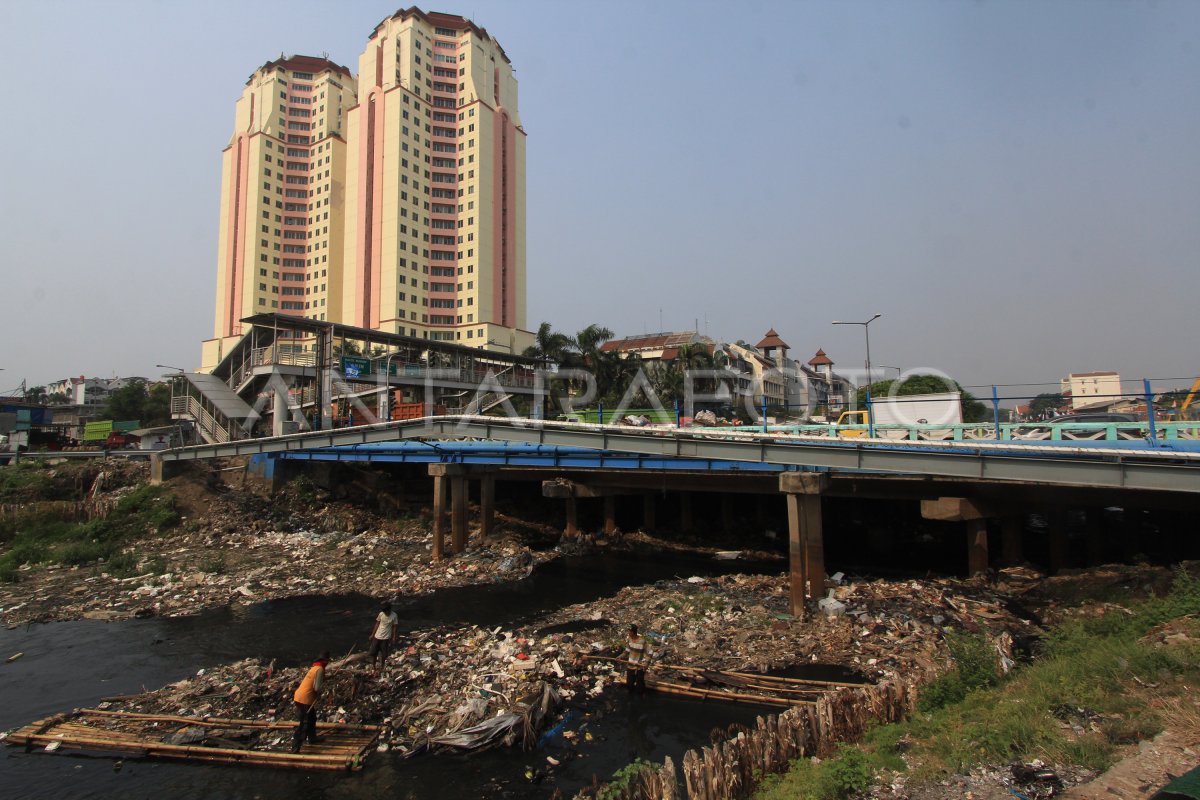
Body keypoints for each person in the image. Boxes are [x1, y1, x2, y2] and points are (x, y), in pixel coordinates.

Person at [291, 650, 330, 753]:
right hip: (305, 699)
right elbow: (317, 687)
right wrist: (321, 691)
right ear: (325, 661)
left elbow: (315, 680)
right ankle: (295, 747)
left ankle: (312, 737)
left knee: (312, 717)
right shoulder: (320, 669)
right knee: (305, 723)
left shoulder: (314, 668)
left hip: (299, 696)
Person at [369, 600, 400, 675]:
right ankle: (373, 667)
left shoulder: (394, 615)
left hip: (386, 638)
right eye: (384, 611)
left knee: (384, 654)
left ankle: (382, 667)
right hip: (377, 636)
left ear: (389, 609)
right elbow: (377, 624)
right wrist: (372, 634)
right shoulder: (381, 614)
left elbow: (395, 627)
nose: (386, 613)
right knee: (373, 653)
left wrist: (394, 637)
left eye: (387, 611)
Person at [625, 624, 647, 692]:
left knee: (640, 685)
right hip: (631, 664)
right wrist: (619, 657)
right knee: (629, 684)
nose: (628, 633)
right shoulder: (629, 640)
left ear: (632, 632)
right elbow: (627, 651)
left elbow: (649, 652)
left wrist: (647, 663)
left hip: (640, 665)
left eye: (629, 631)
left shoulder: (642, 641)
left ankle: (640, 695)